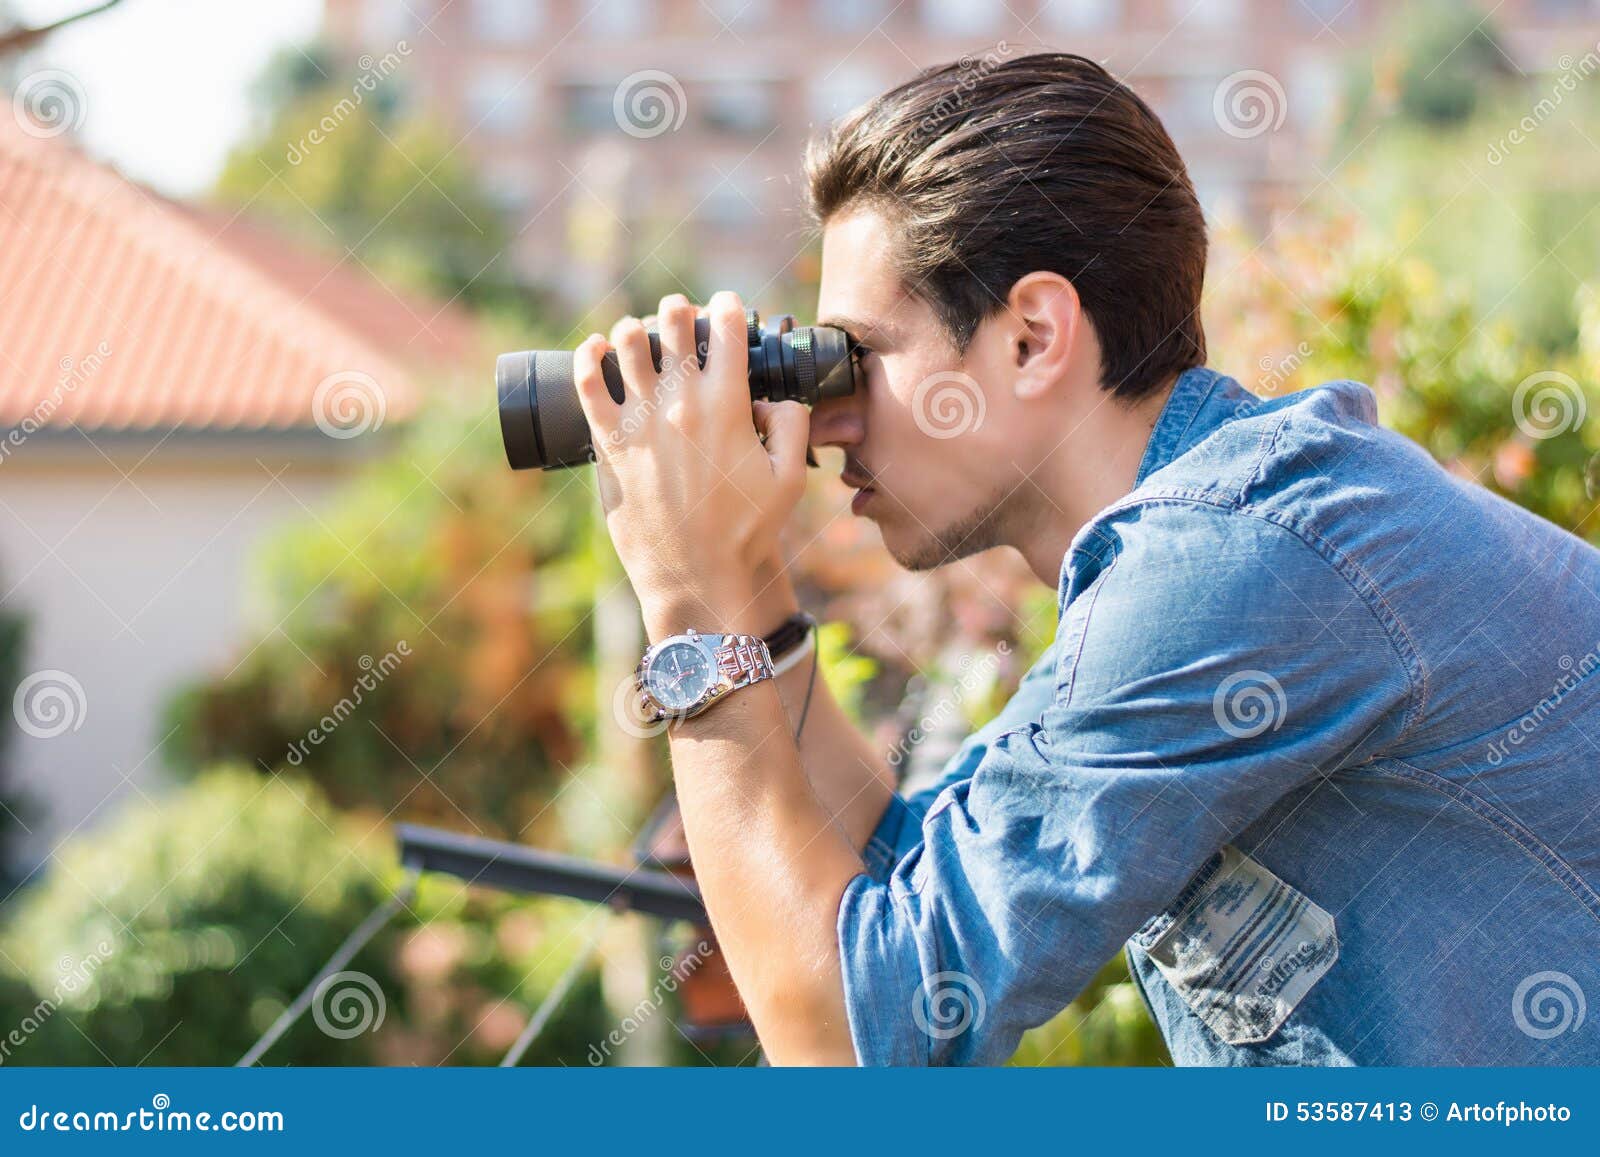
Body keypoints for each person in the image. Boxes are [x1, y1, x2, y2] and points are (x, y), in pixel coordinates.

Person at [568, 52, 1600, 1066]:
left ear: (1030, 335)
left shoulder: (1237, 558)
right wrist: (745, 583)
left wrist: (687, 602)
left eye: (857, 358)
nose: (827, 417)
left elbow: (852, 1047)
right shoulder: (1224, 529)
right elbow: (899, 877)